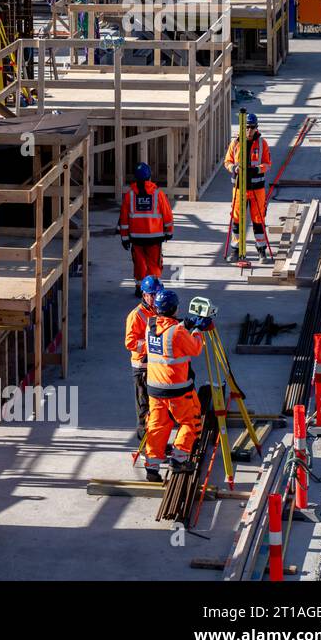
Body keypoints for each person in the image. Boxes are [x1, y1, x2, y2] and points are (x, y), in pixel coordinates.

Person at [142, 289, 208, 483]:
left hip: (154, 388)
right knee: (191, 421)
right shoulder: (178, 332)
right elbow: (195, 348)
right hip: (177, 389)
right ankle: (179, 459)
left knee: (157, 426)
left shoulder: (150, 325)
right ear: (175, 308)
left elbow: (167, 334)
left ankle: (152, 468)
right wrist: (197, 330)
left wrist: (184, 324)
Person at [118, 162, 174, 297]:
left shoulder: (130, 195)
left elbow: (124, 219)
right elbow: (167, 215)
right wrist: (169, 232)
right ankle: (153, 289)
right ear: (150, 176)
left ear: (135, 178)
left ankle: (139, 288)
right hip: (155, 237)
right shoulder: (158, 194)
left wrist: (124, 238)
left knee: (139, 263)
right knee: (154, 263)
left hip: (136, 238)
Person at [223, 113, 272, 262]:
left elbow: (268, 164)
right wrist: (234, 168)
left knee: (258, 220)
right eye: (247, 127)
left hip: (257, 189)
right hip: (239, 188)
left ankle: (261, 250)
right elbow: (227, 162)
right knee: (237, 220)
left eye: (252, 128)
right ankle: (236, 250)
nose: (249, 131)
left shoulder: (262, 144)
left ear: (256, 128)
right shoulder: (235, 143)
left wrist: (257, 169)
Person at [124, 275, 162, 438]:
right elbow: (130, 342)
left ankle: (155, 438)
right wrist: (152, 345)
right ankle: (144, 439)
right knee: (144, 406)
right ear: (144, 295)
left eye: (157, 294)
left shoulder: (158, 310)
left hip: (155, 365)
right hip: (142, 367)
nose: (156, 297)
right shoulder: (136, 315)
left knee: (156, 405)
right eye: (153, 294)